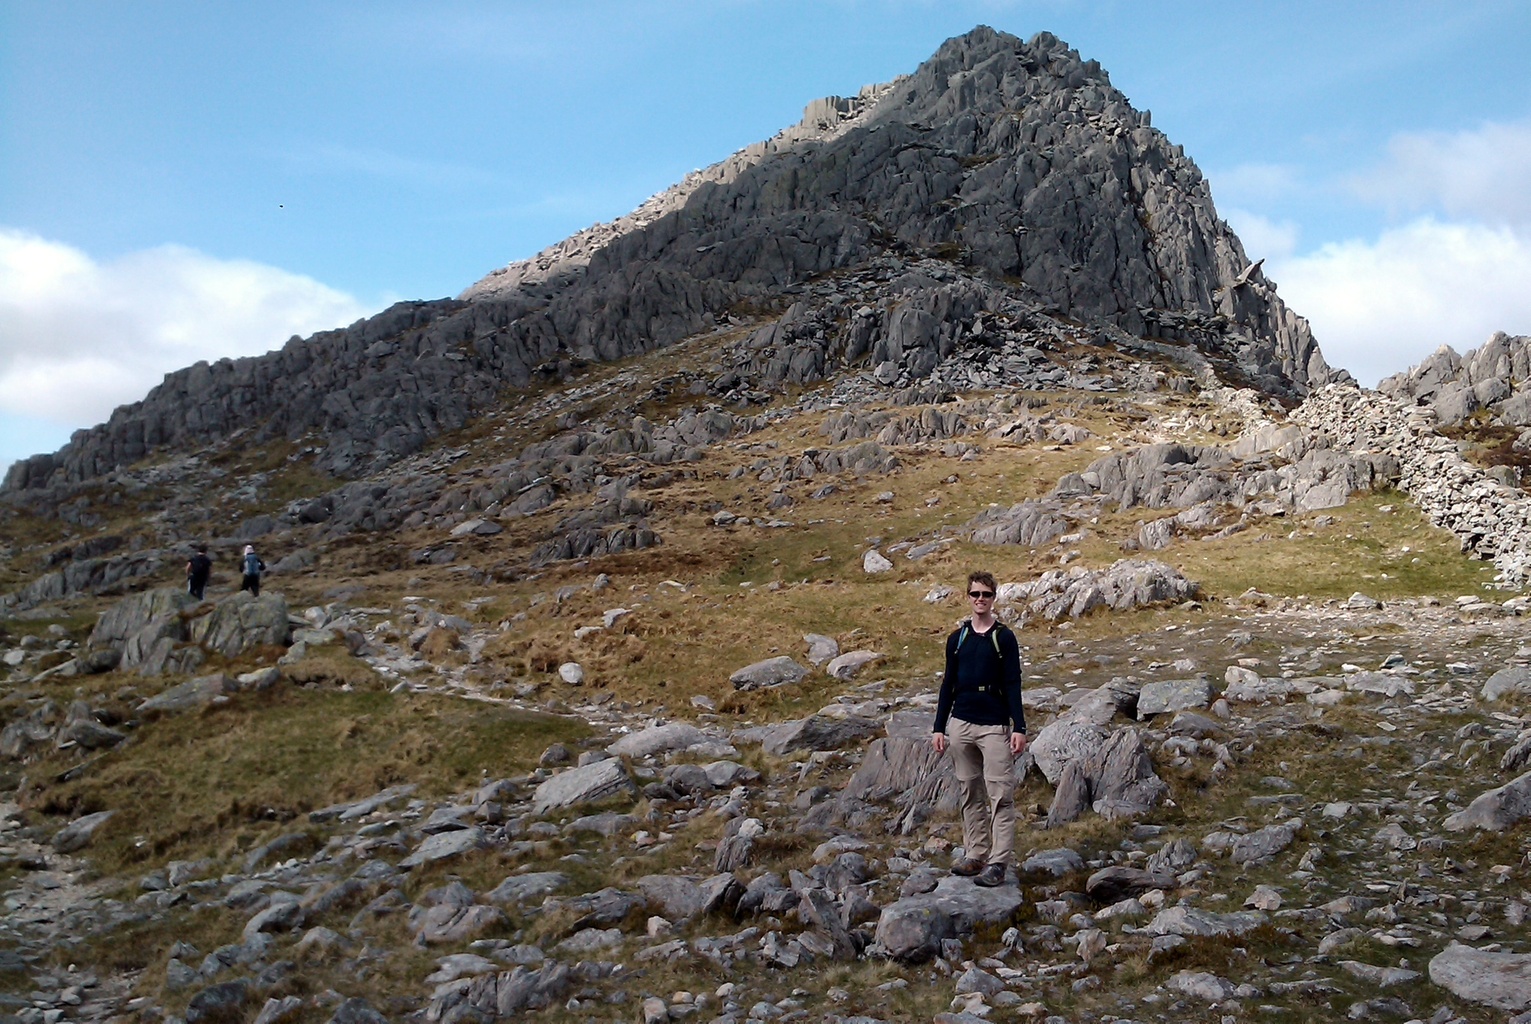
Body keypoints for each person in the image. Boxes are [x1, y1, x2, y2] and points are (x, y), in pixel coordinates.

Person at [932, 571, 1027, 887]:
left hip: (994, 725)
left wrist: (1019, 727)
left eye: (986, 594)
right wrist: (939, 727)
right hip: (961, 723)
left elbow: (1013, 682)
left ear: (994, 598)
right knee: (969, 791)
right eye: (975, 594)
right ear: (968, 597)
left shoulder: (1004, 638)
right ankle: (975, 854)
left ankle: (998, 862)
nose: (980, 600)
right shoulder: (957, 639)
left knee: (1000, 795)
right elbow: (948, 684)